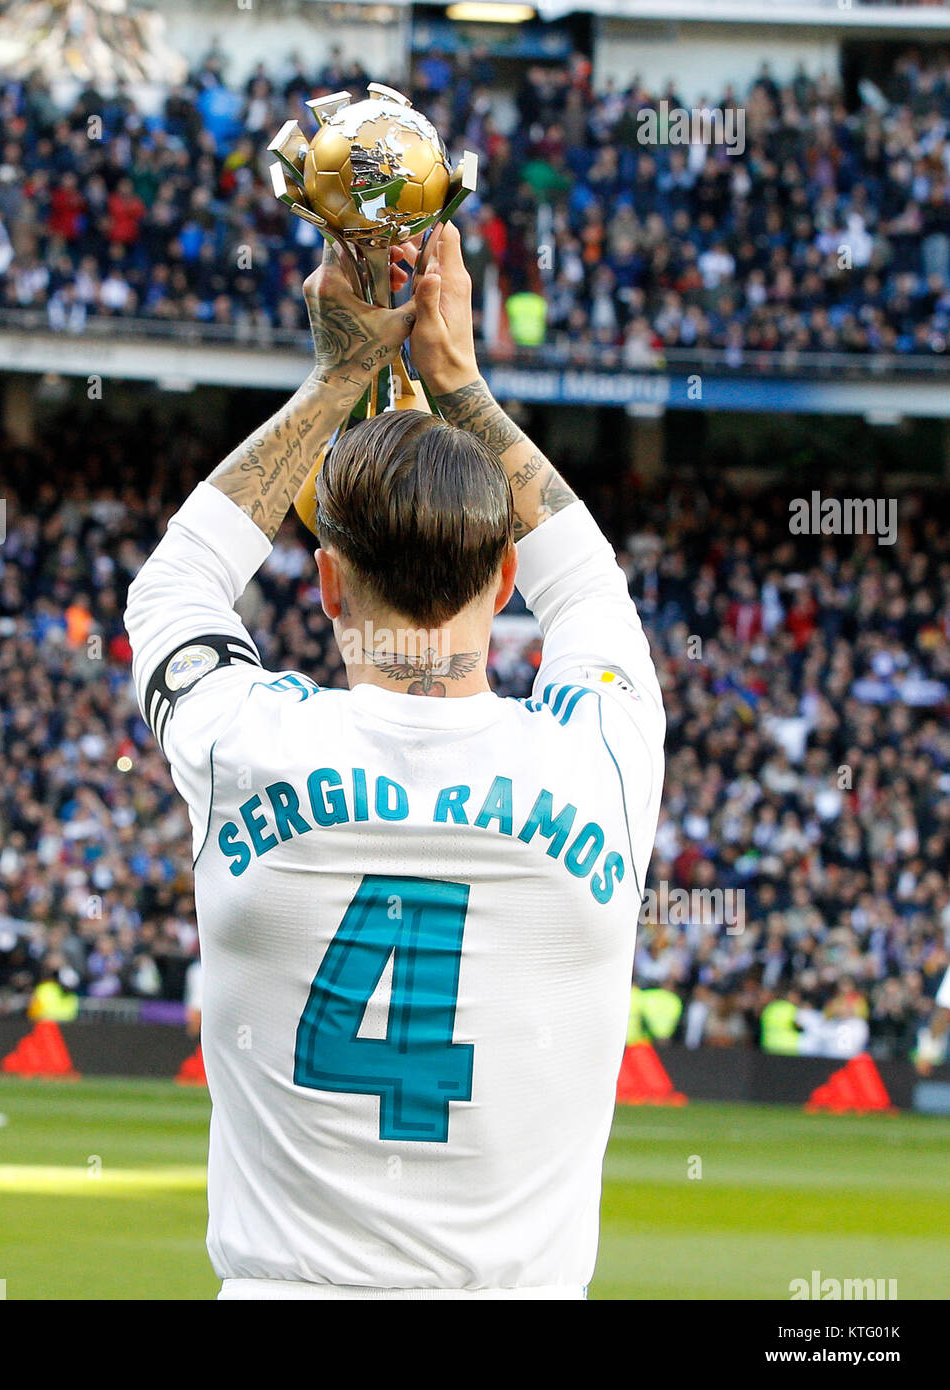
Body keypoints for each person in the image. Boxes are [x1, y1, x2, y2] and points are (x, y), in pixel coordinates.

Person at [124, 224, 665, 1300]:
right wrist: (458, 378)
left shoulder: (250, 748)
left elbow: (176, 589)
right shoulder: (595, 761)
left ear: (326, 585)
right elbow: (593, 591)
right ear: (503, 580)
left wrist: (337, 378)